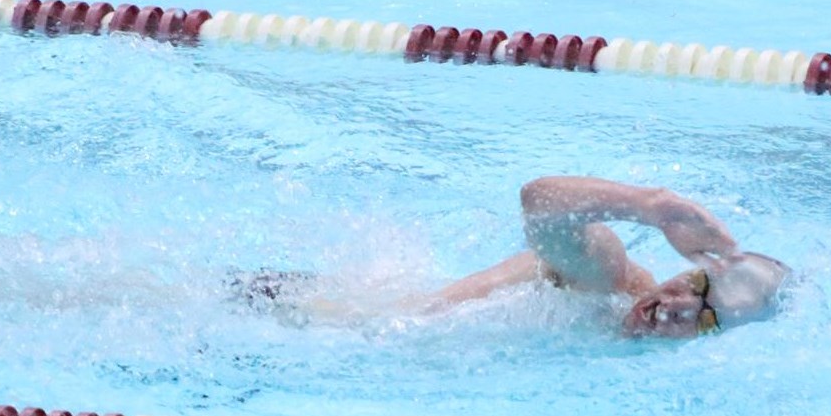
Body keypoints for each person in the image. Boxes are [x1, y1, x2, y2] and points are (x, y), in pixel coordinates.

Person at [238, 176, 792, 338]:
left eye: (707, 320)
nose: (677, 309)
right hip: (292, 315)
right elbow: (540, 201)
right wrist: (649, 207)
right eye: (696, 287)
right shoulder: (605, 280)